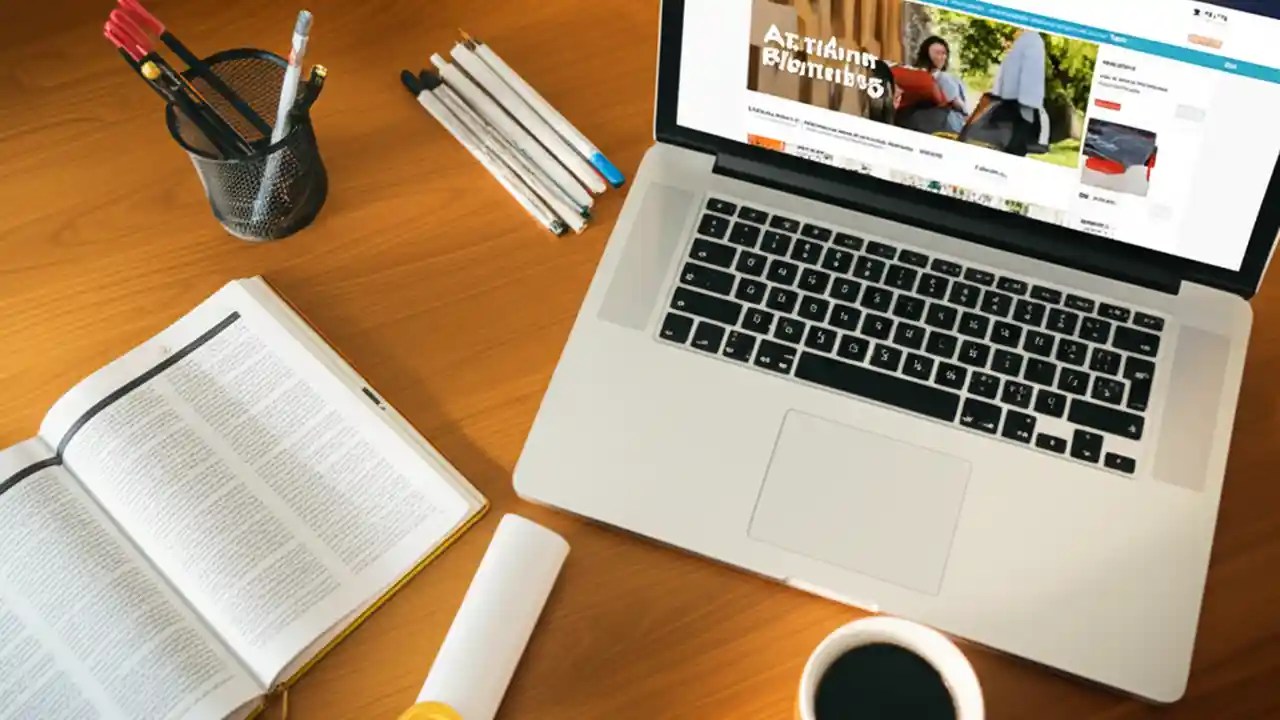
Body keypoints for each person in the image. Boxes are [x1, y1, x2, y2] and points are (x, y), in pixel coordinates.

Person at [990, 29, 1046, 156]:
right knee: (1013, 148)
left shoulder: (1027, 40)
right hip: (1018, 106)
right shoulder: (1031, 40)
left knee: (1007, 147)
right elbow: (1032, 76)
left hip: (1013, 105)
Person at [914, 36, 967, 133]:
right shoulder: (921, 76)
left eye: (944, 53)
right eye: (937, 53)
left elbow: (958, 104)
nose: (941, 57)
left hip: (946, 125)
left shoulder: (943, 78)